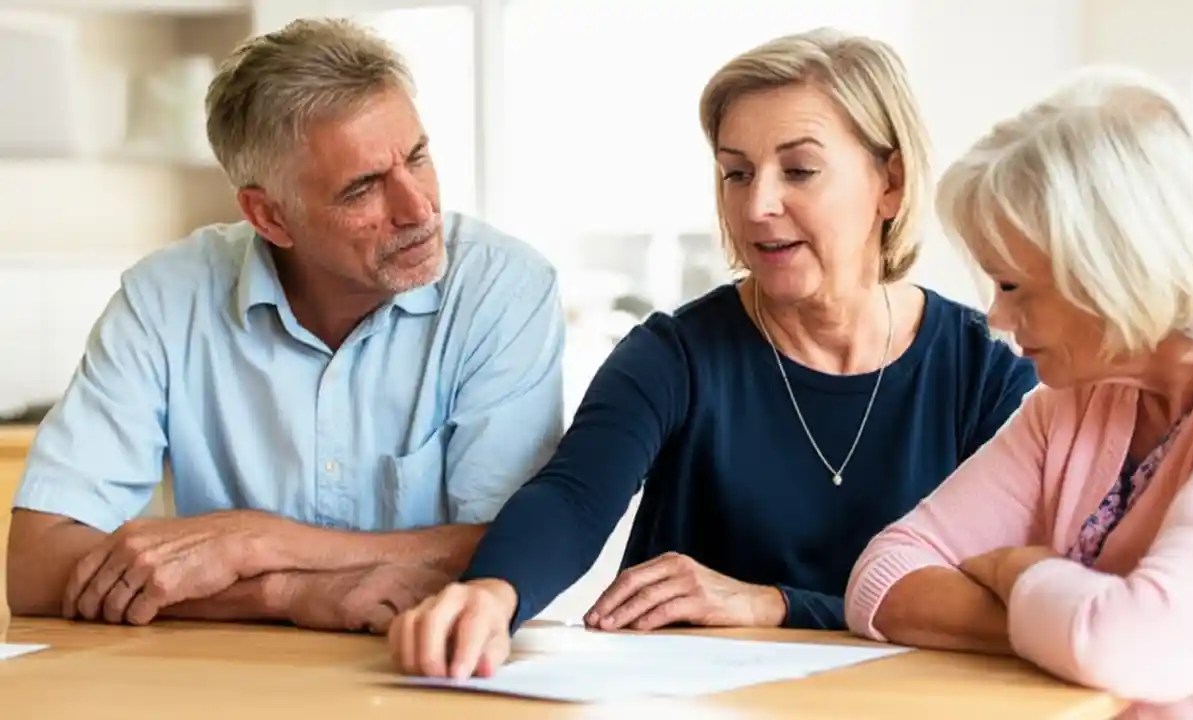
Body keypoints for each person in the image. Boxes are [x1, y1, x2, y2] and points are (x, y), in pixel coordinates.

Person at [387, 27, 1038, 679]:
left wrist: (779, 606)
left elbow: (999, 604)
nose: (756, 205)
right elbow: (573, 498)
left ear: (889, 183)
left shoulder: (986, 373)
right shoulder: (671, 355)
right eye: (736, 172)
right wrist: (493, 592)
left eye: (800, 170)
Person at [5, 18, 565, 634]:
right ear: (269, 216)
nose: (418, 207)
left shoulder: (501, 288)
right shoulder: (165, 299)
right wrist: (280, 594)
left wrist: (256, 544)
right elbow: (36, 564)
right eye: (363, 189)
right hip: (223, 683)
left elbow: (518, 545)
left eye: (417, 157)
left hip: (434, 675)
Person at [846, 68, 1193, 719]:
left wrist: (1020, 572)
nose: (993, 316)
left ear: (1115, 264)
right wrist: (1081, 625)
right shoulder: (1080, 397)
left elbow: (1144, 647)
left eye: (1012, 285)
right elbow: (884, 577)